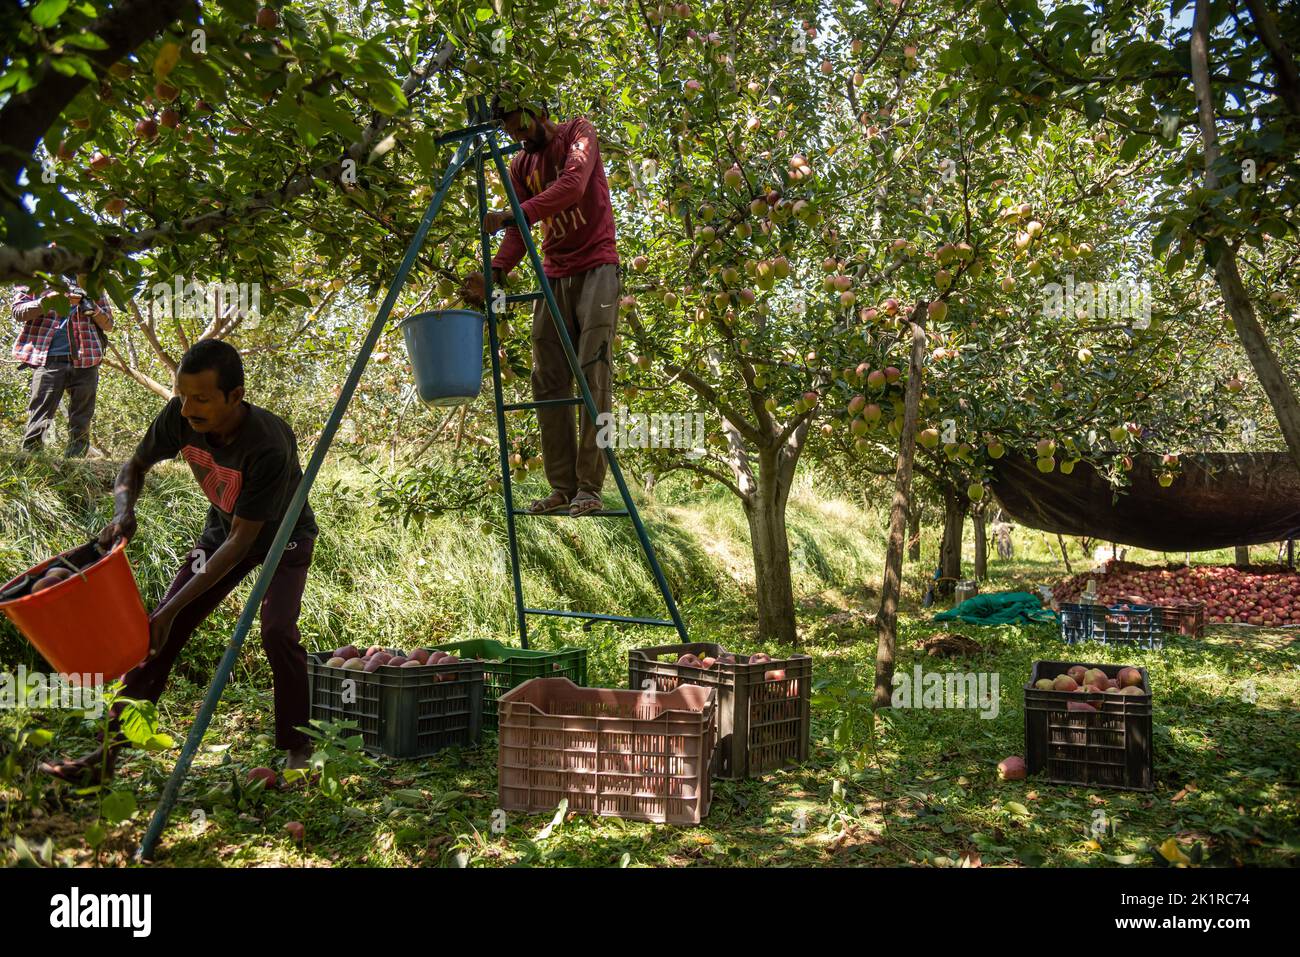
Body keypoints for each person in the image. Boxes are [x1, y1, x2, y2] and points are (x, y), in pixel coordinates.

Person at [39, 339, 319, 783]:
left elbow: (243, 543)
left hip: (282, 540)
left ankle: (298, 745)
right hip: (223, 532)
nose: (189, 409)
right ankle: (107, 757)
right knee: (158, 636)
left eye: (202, 399)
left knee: (277, 631)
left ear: (235, 396)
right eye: (183, 396)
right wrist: (123, 511)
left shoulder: (268, 442)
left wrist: (170, 610)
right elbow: (133, 467)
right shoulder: (179, 415)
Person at [462, 92, 620, 517]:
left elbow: (571, 187)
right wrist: (495, 271)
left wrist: (514, 214)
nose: (515, 136)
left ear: (536, 110)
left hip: (597, 266)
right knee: (546, 381)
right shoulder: (519, 165)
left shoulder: (578, 134)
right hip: (554, 273)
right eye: (508, 130)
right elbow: (521, 229)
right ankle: (562, 488)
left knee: (594, 370)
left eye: (518, 125)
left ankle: (590, 486)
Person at [10, 274, 113, 456]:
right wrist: (48, 301)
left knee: (82, 418)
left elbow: (108, 324)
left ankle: (77, 463)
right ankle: (31, 460)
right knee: (40, 414)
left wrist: (89, 304)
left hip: (87, 358)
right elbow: (18, 312)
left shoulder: (91, 280)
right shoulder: (35, 276)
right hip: (48, 357)